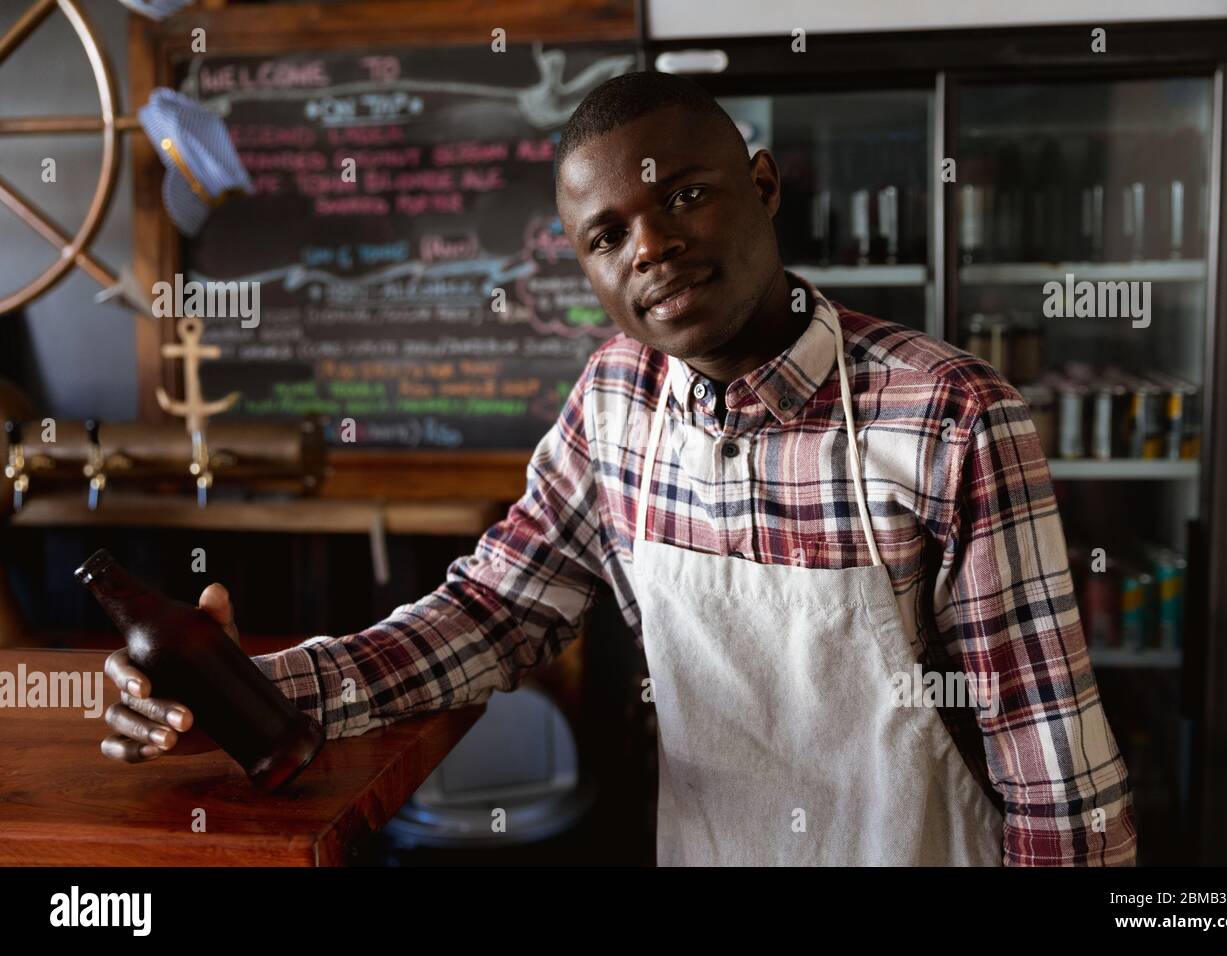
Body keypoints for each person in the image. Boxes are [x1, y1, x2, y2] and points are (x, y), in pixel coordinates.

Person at [101, 70, 1137, 866]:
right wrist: (241, 686)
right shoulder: (613, 400)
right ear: (585, 263)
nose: (652, 246)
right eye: (608, 234)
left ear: (762, 185)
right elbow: (493, 615)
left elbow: (1053, 768)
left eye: (686, 194)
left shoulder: (950, 414)